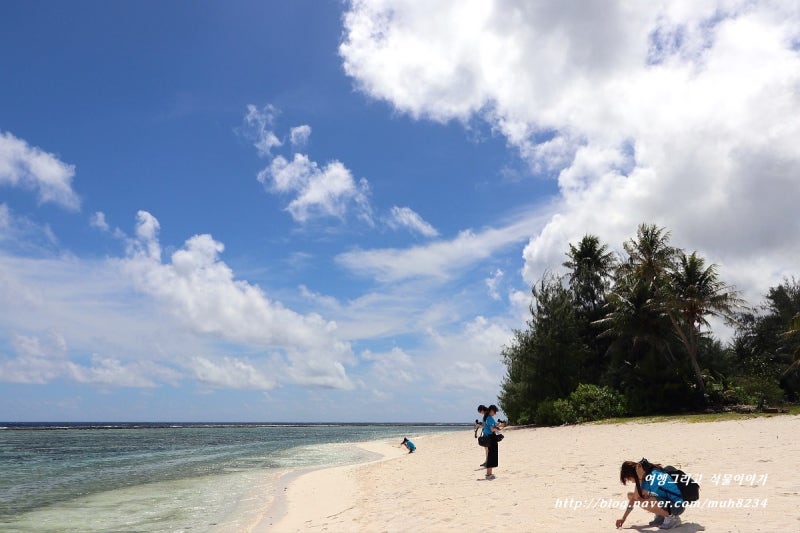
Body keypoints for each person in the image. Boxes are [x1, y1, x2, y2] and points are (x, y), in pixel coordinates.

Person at [615, 459, 686, 530]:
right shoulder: (643, 477)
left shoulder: (654, 475)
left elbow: (640, 497)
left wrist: (638, 478)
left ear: (632, 474)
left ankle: (672, 518)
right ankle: (661, 516)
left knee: (643, 501)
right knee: (630, 495)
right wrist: (623, 518)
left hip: (677, 507)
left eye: (629, 479)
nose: (631, 481)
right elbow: (633, 498)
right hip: (667, 503)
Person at [482, 405, 502, 480]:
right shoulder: (489, 418)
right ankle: (488, 474)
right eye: (495, 411)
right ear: (491, 410)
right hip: (491, 438)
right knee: (491, 455)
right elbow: (492, 429)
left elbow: (491, 427)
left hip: (489, 437)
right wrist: (498, 427)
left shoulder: (487, 417)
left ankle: (489, 473)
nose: (495, 413)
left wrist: (498, 426)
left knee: (491, 455)